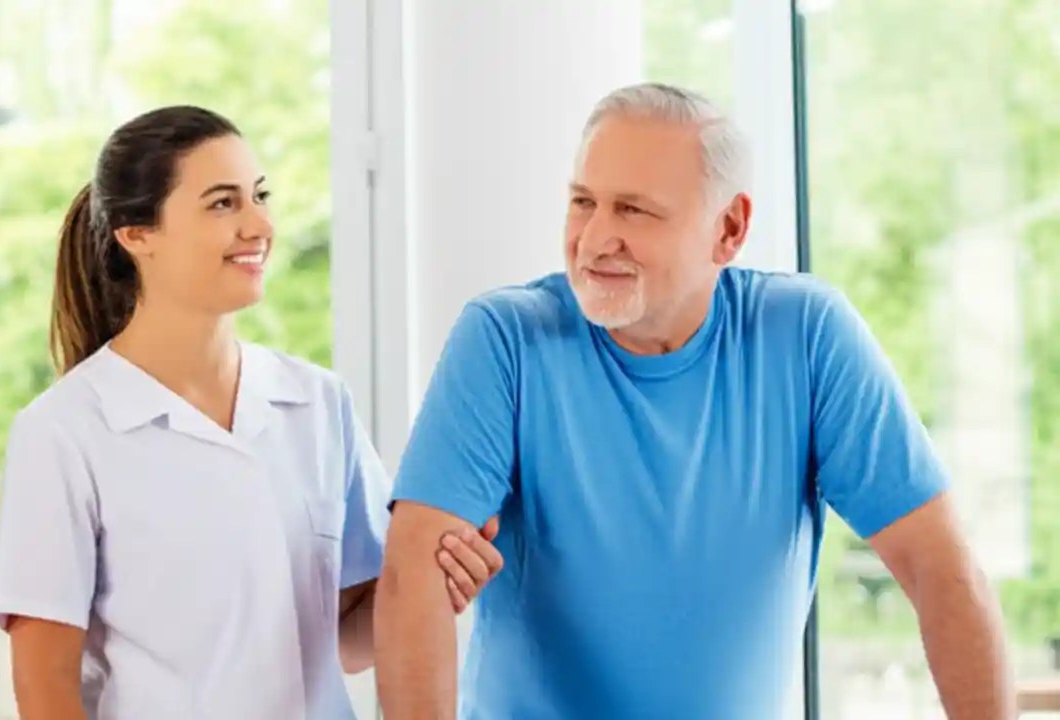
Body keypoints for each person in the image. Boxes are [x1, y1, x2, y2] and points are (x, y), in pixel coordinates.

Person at [374, 83, 1015, 719]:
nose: (595, 239)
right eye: (582, 202)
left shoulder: (806, 335)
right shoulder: (506, 338)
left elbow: (939, 569)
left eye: (633, 211)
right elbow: (415, 576)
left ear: (729, 229)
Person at [0, 105, 504, 720]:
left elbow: (343, 637)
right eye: (222, 203)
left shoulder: (316, 403)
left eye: (259, 196)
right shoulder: (65, 432)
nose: (259, 225)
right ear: (136, 233)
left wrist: (433, 587)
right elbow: (45, 691)